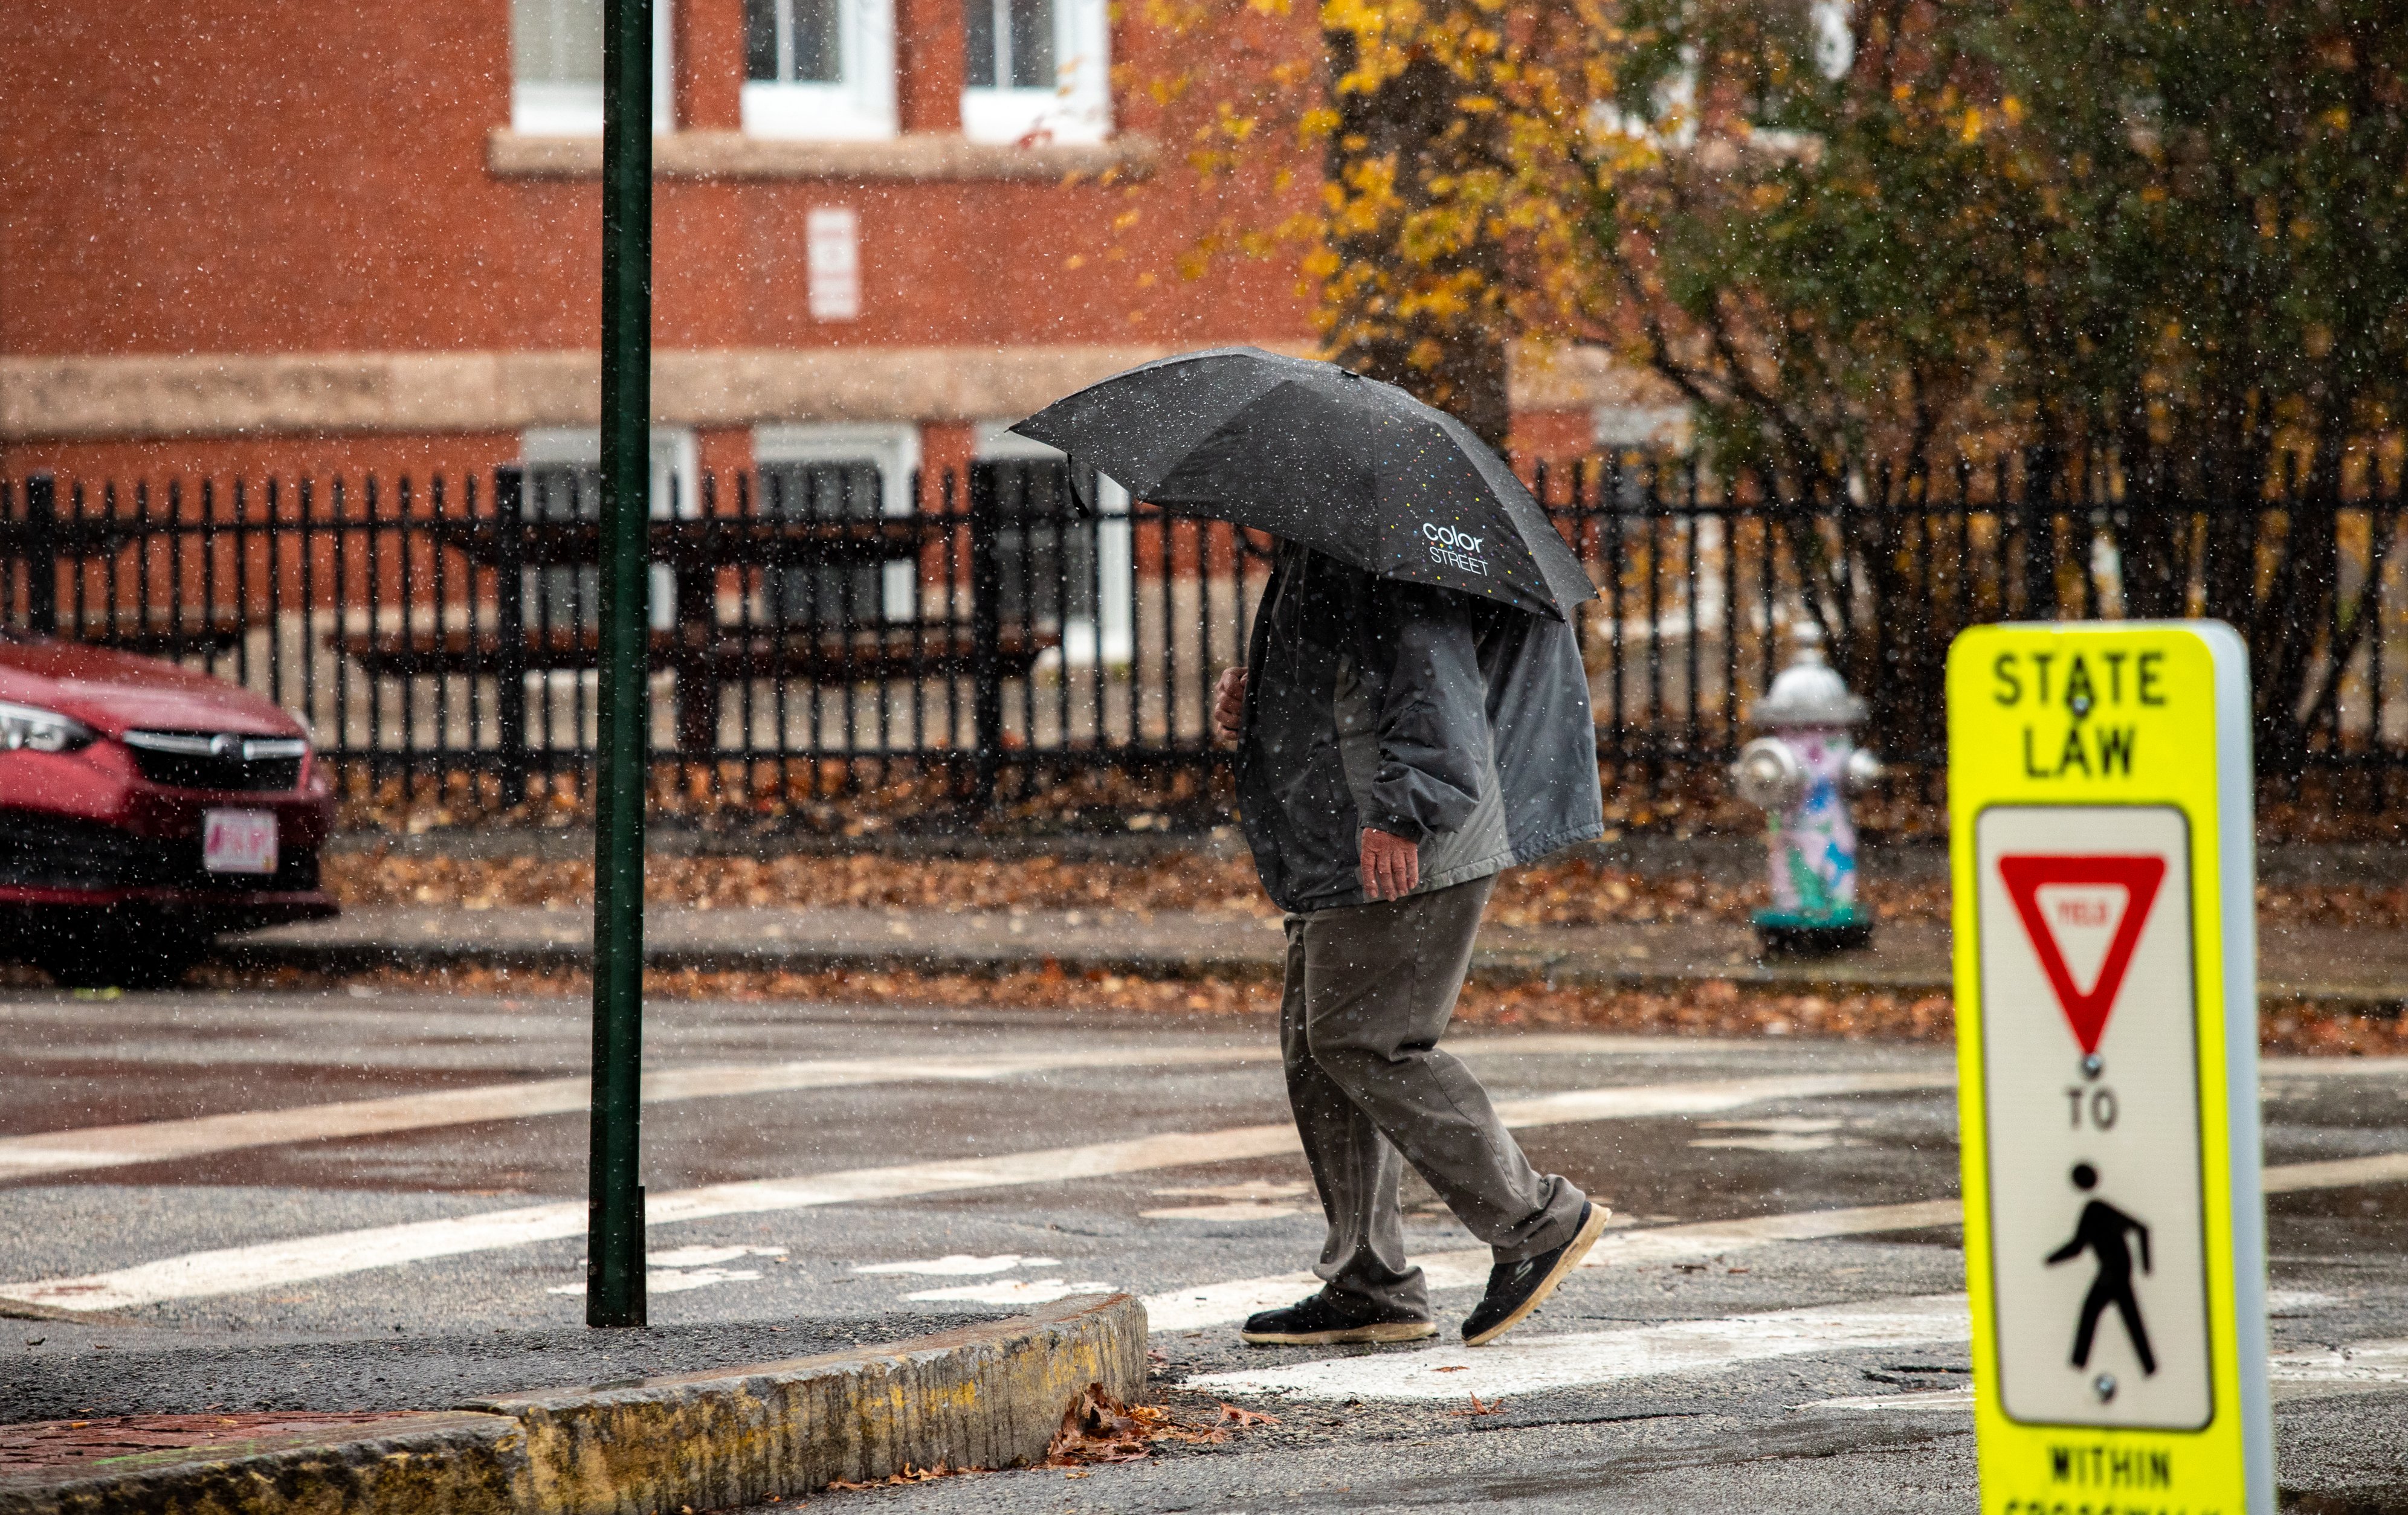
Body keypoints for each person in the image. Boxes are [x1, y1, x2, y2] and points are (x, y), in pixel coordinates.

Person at [1212, 539, 1609, 1348]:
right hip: (1337, 833)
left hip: (1398, 836)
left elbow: (1435, 692)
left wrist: (1407, 809)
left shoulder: (1383, 550)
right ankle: (1369, 1281)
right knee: (1318, 1050)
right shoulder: (1323, 544)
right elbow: (1355, 676)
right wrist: (1262, 697)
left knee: (1367, 1040)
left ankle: (1535, 1219)